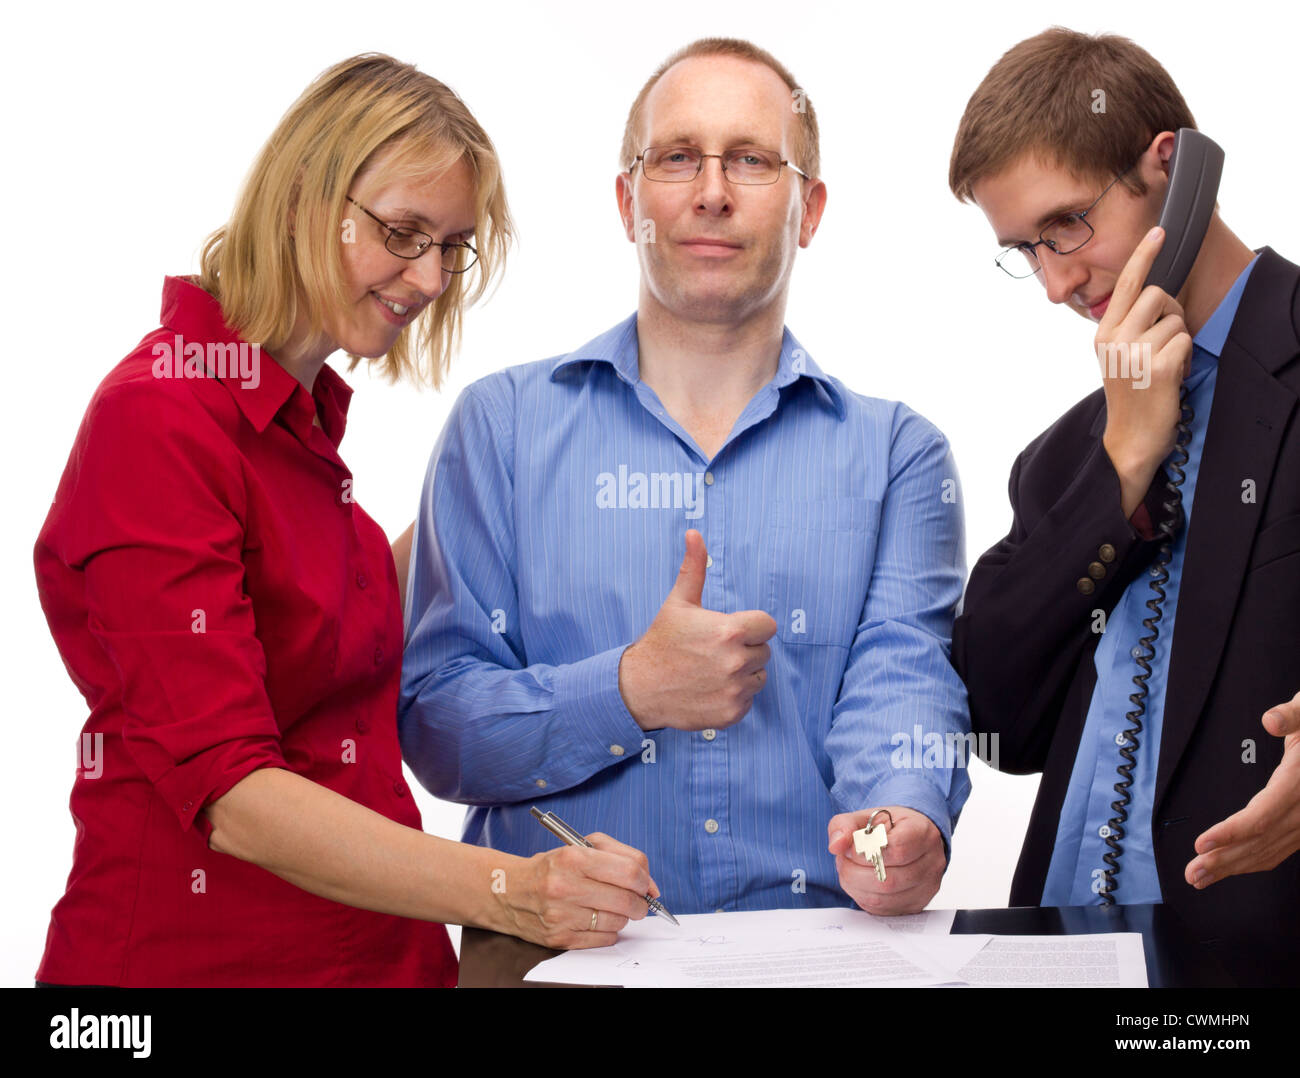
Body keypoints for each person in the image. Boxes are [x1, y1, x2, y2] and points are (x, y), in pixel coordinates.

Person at [33, 53, 658, 989]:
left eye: (452, 247)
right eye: (405, 233)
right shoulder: (158, 420)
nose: (430, 277)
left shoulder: (295, 424)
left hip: (377, 961)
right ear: (300, 197)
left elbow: (321, 627)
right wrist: (512, 889)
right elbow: (232, 795)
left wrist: (506, 498)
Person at [397, 37, 971, 917]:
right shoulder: (498, 429)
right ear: (629, 202)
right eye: (677, 158)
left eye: (750, 159)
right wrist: (629, 691)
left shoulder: (901, 455)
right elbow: (439, 727)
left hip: (820, 962)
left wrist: (898, 818)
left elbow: (904, 680)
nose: (712, 192)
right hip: (556, 957)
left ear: (808, 211)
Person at [948, 28, 1300, 985]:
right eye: (1026, 250)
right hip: (1061, 959)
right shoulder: (1069, 453)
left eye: (1067, 225)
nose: (1059, 281)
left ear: (1172, 168)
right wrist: (1123, 469)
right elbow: (997, 717)